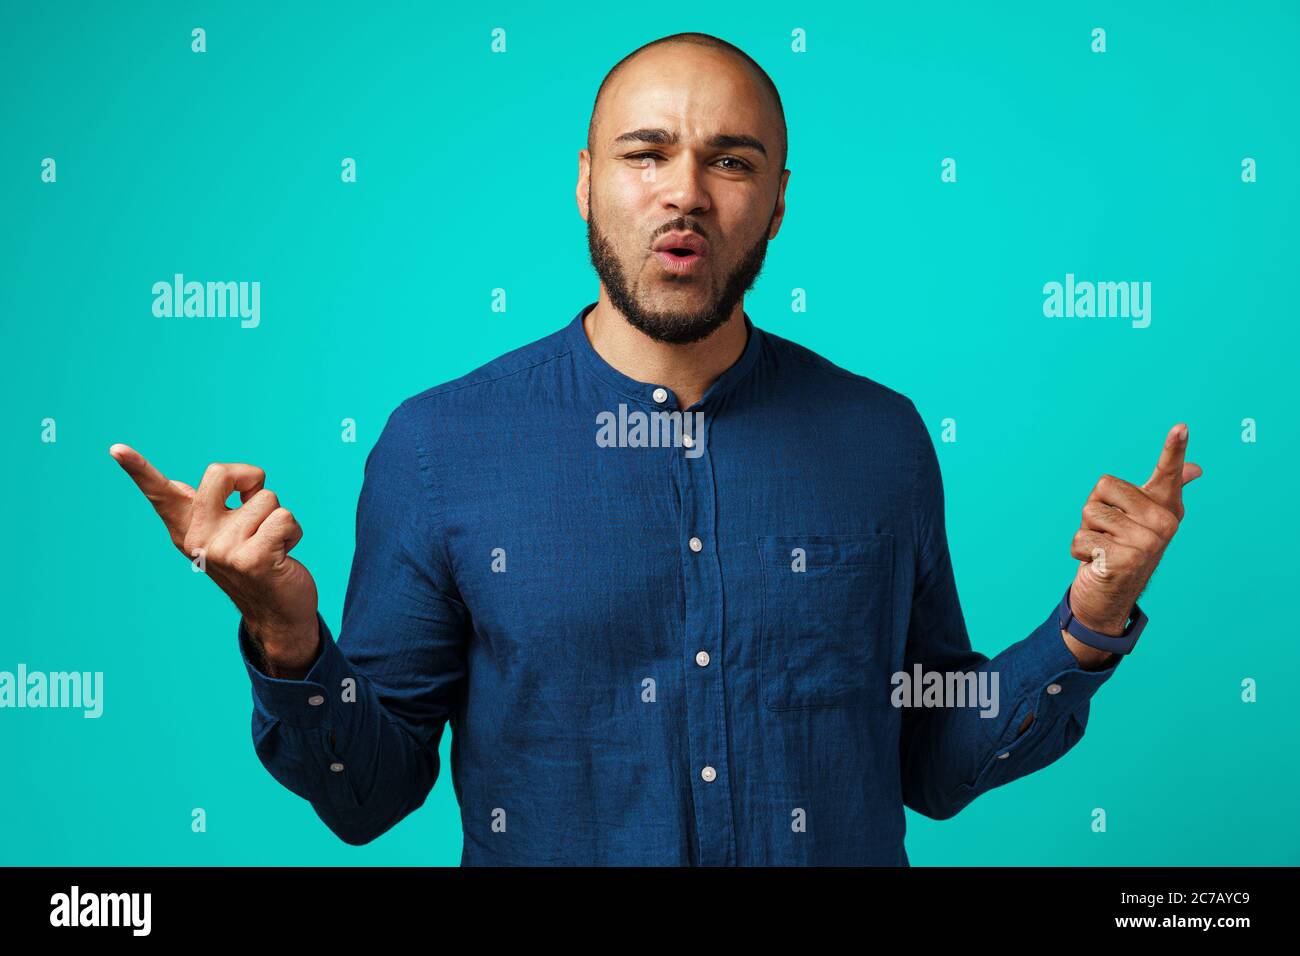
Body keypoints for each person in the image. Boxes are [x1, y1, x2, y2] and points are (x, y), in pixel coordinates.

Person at [110, 32, 1201, 865]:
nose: (684, 190)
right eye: (647, 152)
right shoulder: (438, 445)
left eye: (730, 161)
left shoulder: (881, 437)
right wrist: (289, 636)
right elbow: (368, 794)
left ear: (775, 203)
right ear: (586, 181)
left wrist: (1090, 620)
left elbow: (933, 759)